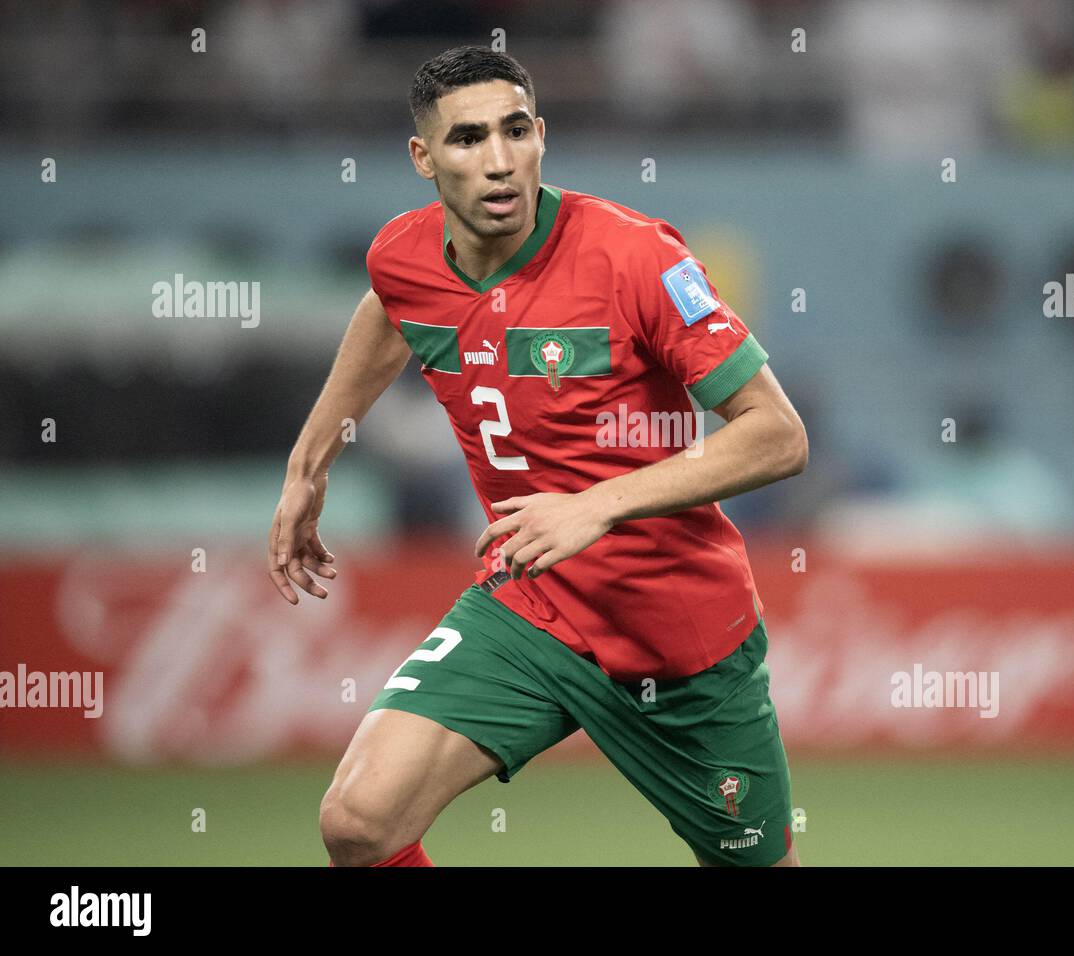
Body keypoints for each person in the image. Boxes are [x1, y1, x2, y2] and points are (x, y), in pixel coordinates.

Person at [266, 46, 808, 867]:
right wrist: (310, 467)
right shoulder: (404, 256)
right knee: (358, 824)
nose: (498, 162)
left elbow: (778, 434)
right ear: (423, 158)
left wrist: (598, 503)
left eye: (516, 131)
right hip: (530, 608)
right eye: (467, 138)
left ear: (541, 136)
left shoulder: (637, 257)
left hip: (678, 635)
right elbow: (390, 309)